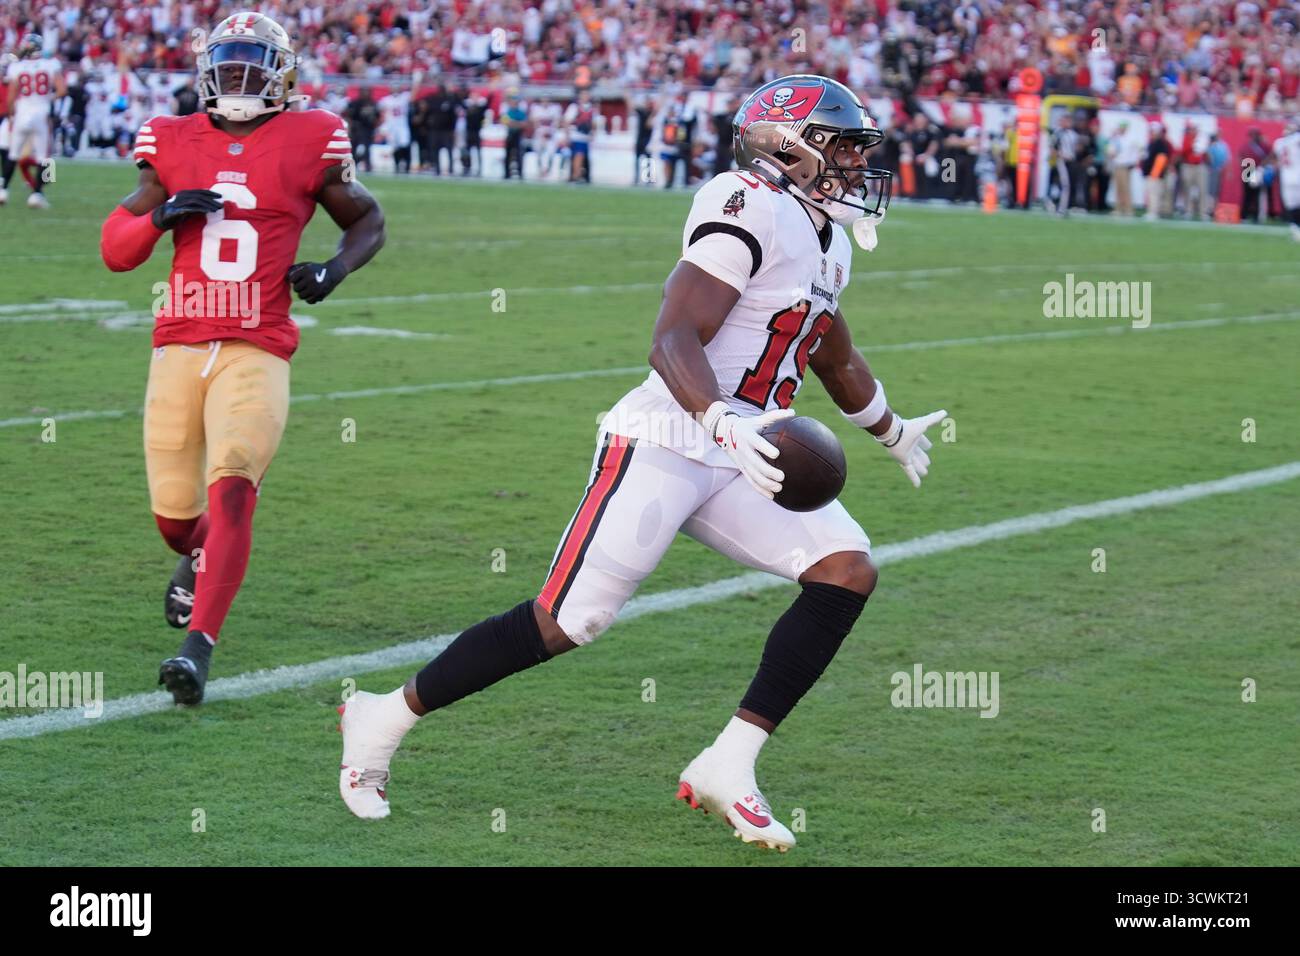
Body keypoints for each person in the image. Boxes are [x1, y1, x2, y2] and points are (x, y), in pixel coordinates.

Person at [336, 75, 947, 853]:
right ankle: (380, 719)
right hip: (669, 435)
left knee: (846, 568)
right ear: (786, 147)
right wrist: (720, 423)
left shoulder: (824, 234)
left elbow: (828, 346)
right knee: (567, 622)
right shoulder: (744, 202)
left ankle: (731, 763)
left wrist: (889, 427)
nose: (858, 167)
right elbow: (671, 340)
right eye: (843, 149)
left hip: (747, 446)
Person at [97, 11, 386, 706]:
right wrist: (161, 217)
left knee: (233, 484)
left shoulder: (313, 136)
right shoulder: (170, 139)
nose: (236, 76)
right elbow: (114, 248)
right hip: (179, 342)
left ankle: (197, 650)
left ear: (280, 74)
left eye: (250, 64)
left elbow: (368, 219)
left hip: (259, 344)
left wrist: (335, 270)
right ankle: (193, 561)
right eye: (226, 64)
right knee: (175, 522)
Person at [1, 33, 66, 209]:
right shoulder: (50, 64)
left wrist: (11, 116)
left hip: (21, 113)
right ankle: (37, 193)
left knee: (13, 154)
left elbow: (11, 97)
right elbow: (62, 90)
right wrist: (47, 99)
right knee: (44, 157)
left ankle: (4, 190)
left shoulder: (17, 67)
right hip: (41, 113)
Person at [1272, 118, 1300, 240]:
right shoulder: (1296, 139)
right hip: (1298, 175)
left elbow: (1276, 160)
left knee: (1291, 207)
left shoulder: (1278, 143)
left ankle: (1296, 231)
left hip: (1286, 179)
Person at [1142, 122, 1172, 220]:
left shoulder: (1160, 144)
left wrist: (1155, 173)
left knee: (1154, 194)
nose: (1152, 133)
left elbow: (1161, 160)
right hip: (1150, 173)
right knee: (1151, 193)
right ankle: (1151, 211)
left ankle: (1153, 212)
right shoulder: (1153, 143)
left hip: (1155, 174)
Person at [564, 89, 596, 183]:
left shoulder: (591, 108)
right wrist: (567, 135)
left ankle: (578, 175)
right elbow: (567, 121)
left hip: (585, 137)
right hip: (576, 135)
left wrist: (593, 134)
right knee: (578, 156)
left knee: (581, 157)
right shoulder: (574, 107)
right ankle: (575, 175)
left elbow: (593, 124)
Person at [1240, 128, 1270, 224]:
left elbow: (1269, 156)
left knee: (1257, 194)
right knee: (1247, 194)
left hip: (1257, 170)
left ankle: (1256, 216)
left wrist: (1261, 167)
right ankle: (1244, 215)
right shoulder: (1246, 146)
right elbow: (1241, 157)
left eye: (1255, 135)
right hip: (1248, 169)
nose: (1253, 137)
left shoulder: (1264, 146)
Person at [345, 86, 378, 173]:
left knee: (367, 149)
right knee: (353, 149)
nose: (365, 93)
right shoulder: (355, 103)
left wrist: (375, 128)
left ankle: (368, 166)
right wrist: (350, 128)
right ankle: (351, 167)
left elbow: (376, 117)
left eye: (367, 91)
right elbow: (349, 116)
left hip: (367, 130)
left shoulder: (373, 103)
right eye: (364, 91)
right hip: (356, 129)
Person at [502, 91, 527, 179]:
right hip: (509, 135)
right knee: (508, 154)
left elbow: (524, 124)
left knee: (519, 155)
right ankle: (506, 174)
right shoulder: (508, 112)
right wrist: (517, 123)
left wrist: (513, 123)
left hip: (518, 135)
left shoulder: (520, 112)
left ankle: (520, 174)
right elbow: (506, 122)